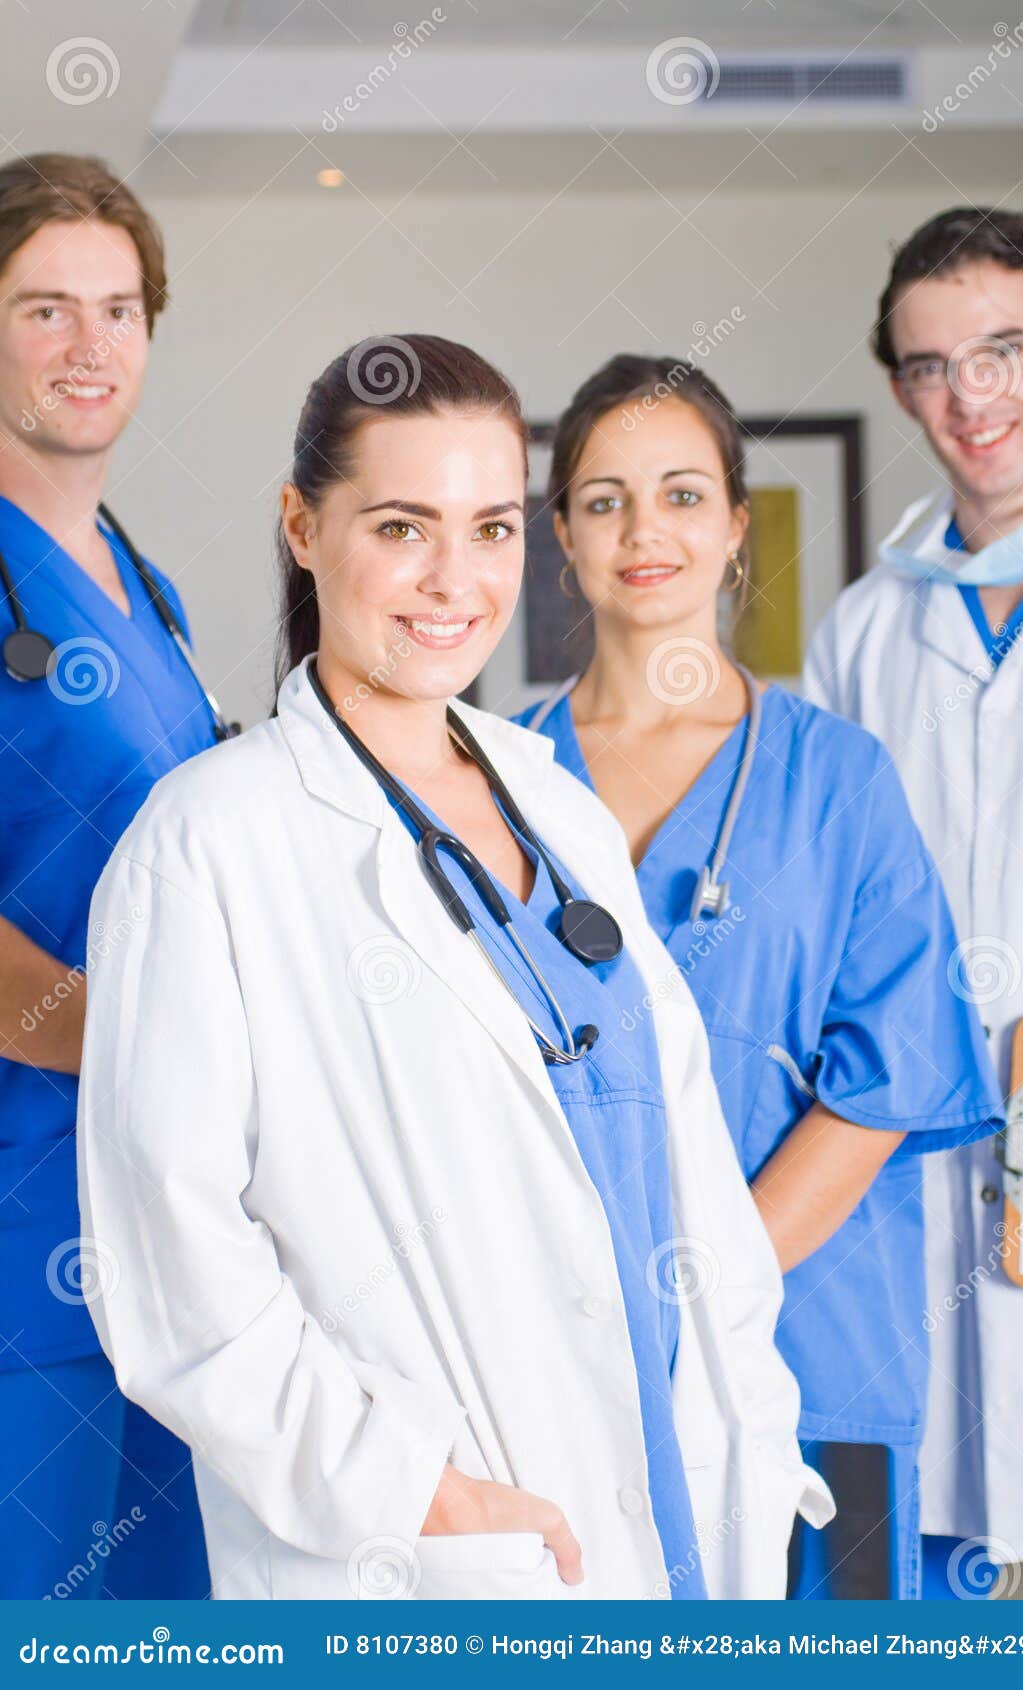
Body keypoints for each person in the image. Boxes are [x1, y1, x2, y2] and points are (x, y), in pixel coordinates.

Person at [76, 333, 832, 1602]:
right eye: (399, 525)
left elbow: (683, 1169)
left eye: (488, 529)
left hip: (683, 1502)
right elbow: (170, 1263)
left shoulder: (557, 806)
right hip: (437, 1551)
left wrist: (748, 1418)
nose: (451, 580)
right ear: (302, 529)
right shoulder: (208, 842)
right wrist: (405, 1486)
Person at [514, 353, 1004, 1600]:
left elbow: (884, 1083)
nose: (643, 531)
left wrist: (697, 1293)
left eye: (682, 494)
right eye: (604, 497)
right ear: (560, 532)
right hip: (562, 1353)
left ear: (736, 528)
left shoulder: (838, 780)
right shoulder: (493, 786)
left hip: (811, 1340)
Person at [804, 207, 1023, 1600]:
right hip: (917, 1162)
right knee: (930, 1537)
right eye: (925, 366)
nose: (967, 397)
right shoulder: (861, 630)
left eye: (1001, 349)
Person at [0, 154, 222, 1598]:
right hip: (28, 1223)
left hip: (165, 1207)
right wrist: (156, 1052)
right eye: (42, 309)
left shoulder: (145, 582)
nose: (90, 345)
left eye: (119, 309)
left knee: (169, 1619)